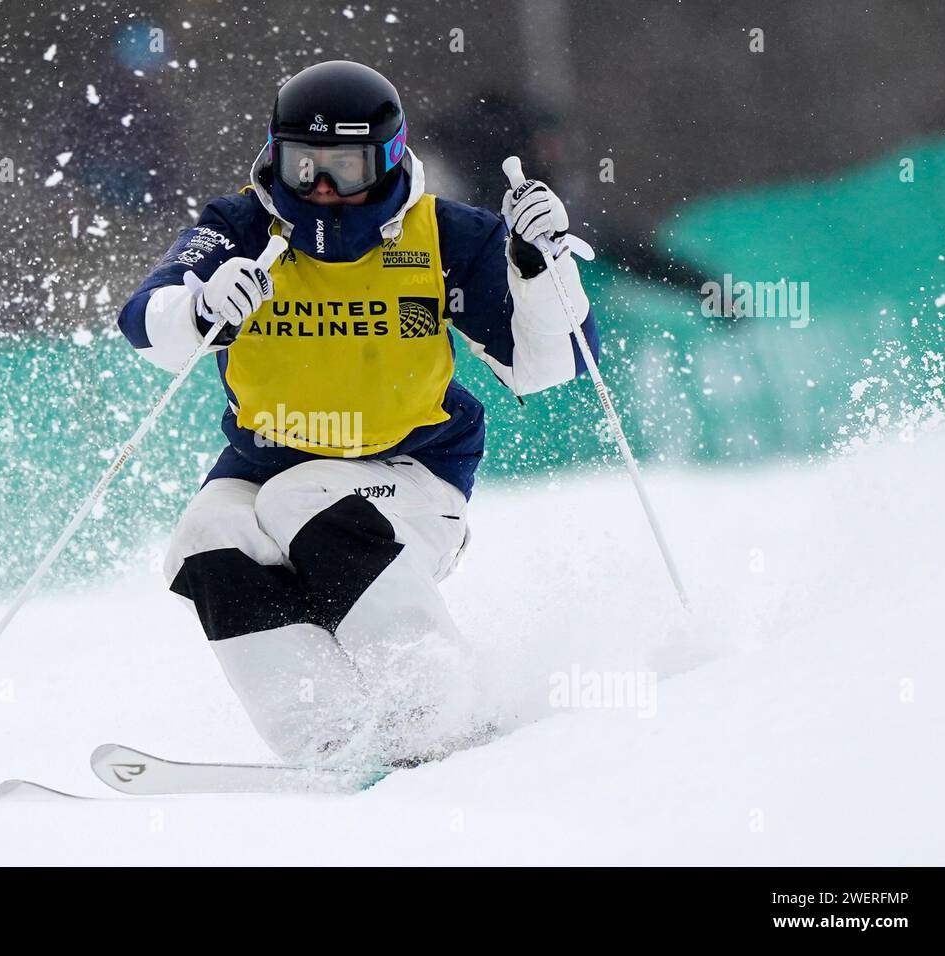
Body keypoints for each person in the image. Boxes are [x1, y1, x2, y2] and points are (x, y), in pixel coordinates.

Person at [117, 60, 599, 766]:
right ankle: (326, 736)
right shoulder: (243, 227)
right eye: (301, 164)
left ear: (390, 159)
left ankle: (442, 705)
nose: (319, 187)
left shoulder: (443, 236)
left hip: (410, 471)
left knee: (302, 499)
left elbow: (551, 364)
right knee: (205, 536)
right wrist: (198, 307)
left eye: (344, 168)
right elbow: (143, 317)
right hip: (267, 456)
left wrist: (537, 266)